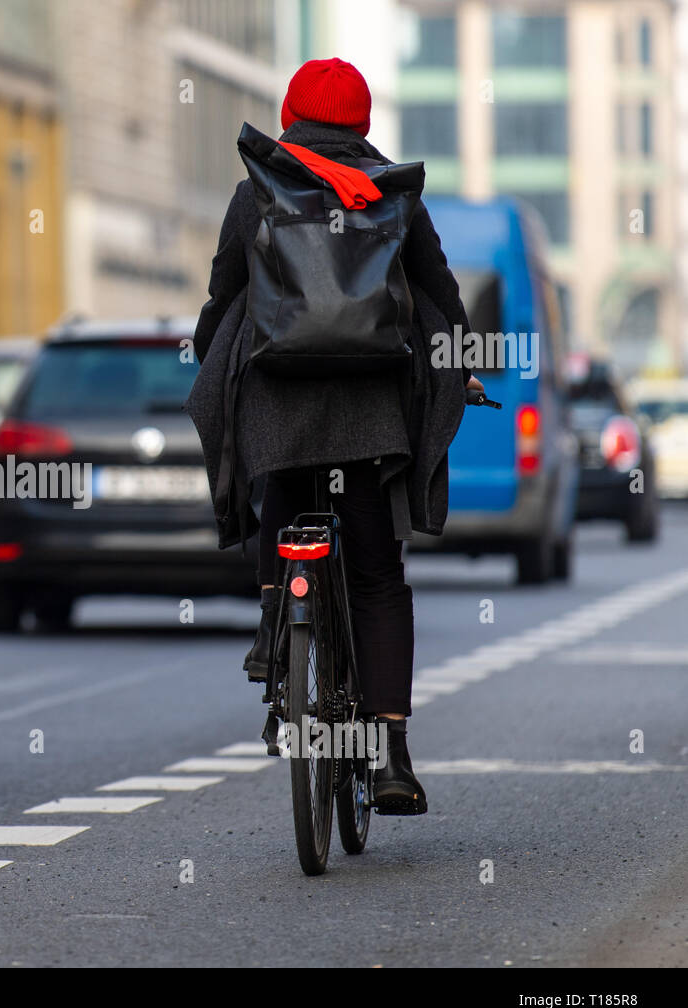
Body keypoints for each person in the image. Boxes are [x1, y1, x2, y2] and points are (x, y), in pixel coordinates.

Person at [190, 58, 483, 816]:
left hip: (276, 406)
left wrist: (210, 363)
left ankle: (270, 622)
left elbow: (224, 298)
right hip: (372, 415)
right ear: (362, 121)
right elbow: (441, 302)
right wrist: (460, 371)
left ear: (290, 115)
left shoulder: (256, 192)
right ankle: (389, 756)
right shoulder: (394, 197)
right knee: (378, 578)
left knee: (280, 488)